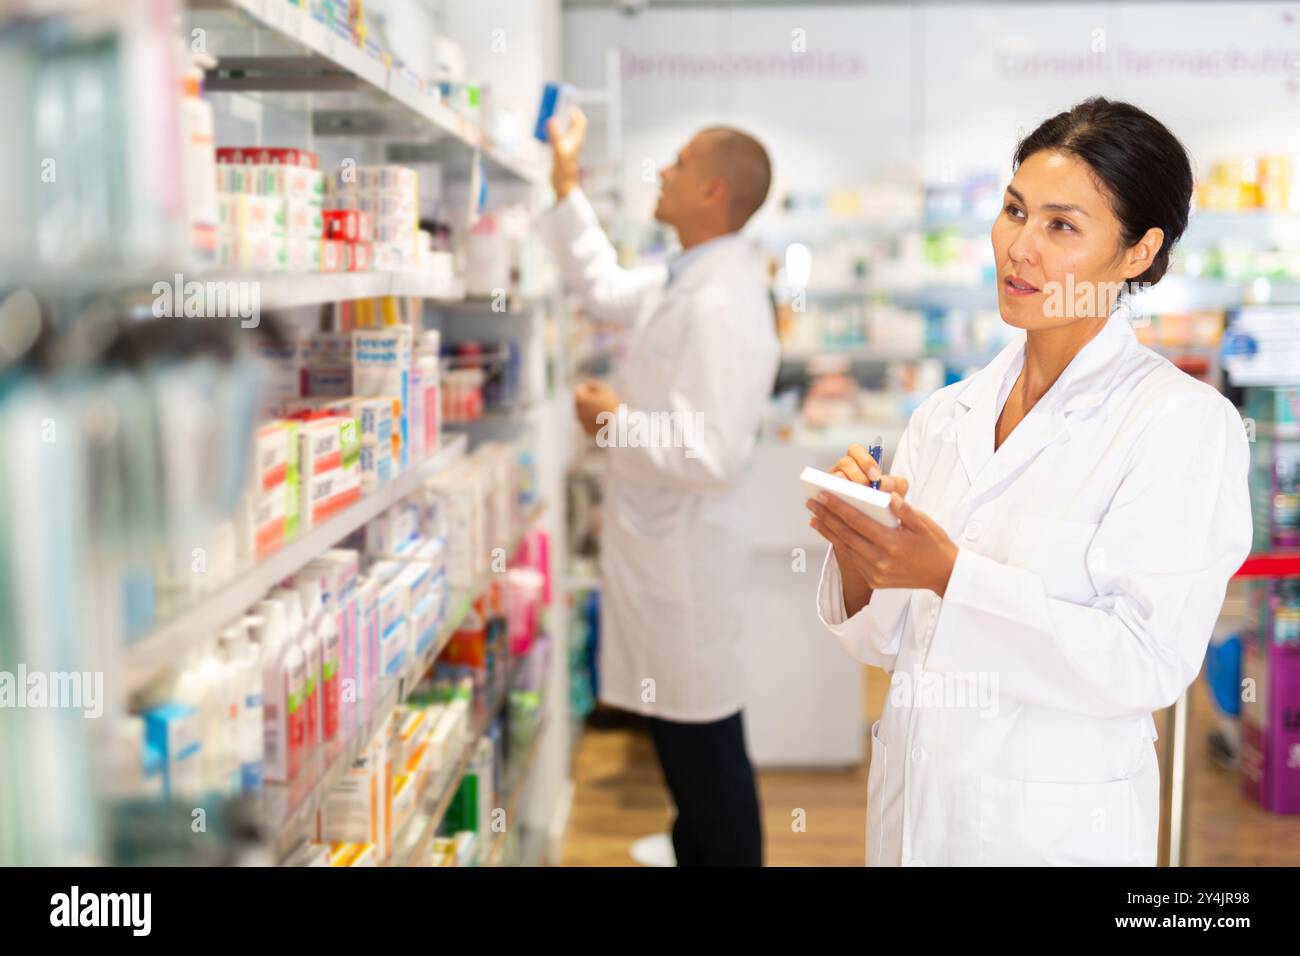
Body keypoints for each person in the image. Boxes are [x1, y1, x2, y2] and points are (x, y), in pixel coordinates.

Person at [806, 98, 1252, 866]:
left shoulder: (1180, 424)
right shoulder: (949, 413)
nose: (1020, 248)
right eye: (1014, 211)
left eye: (1061, 226)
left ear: (1139, 252)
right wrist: (861, 549)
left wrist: (950, 575)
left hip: (1053, 834)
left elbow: (1144, 662)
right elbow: (888, 643)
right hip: (915, 818)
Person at [537, 109, 779, 866]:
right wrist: (565, 181)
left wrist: (611, 423)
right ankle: (700, 850)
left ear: (711, 191)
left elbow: (710, 454)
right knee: (686, 750)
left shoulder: (722, 300)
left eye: (674, 165)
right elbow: (607, 290)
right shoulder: (689, 275)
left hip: (687, 563)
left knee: (704, 753)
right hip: (665, 554)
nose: (661, 176)